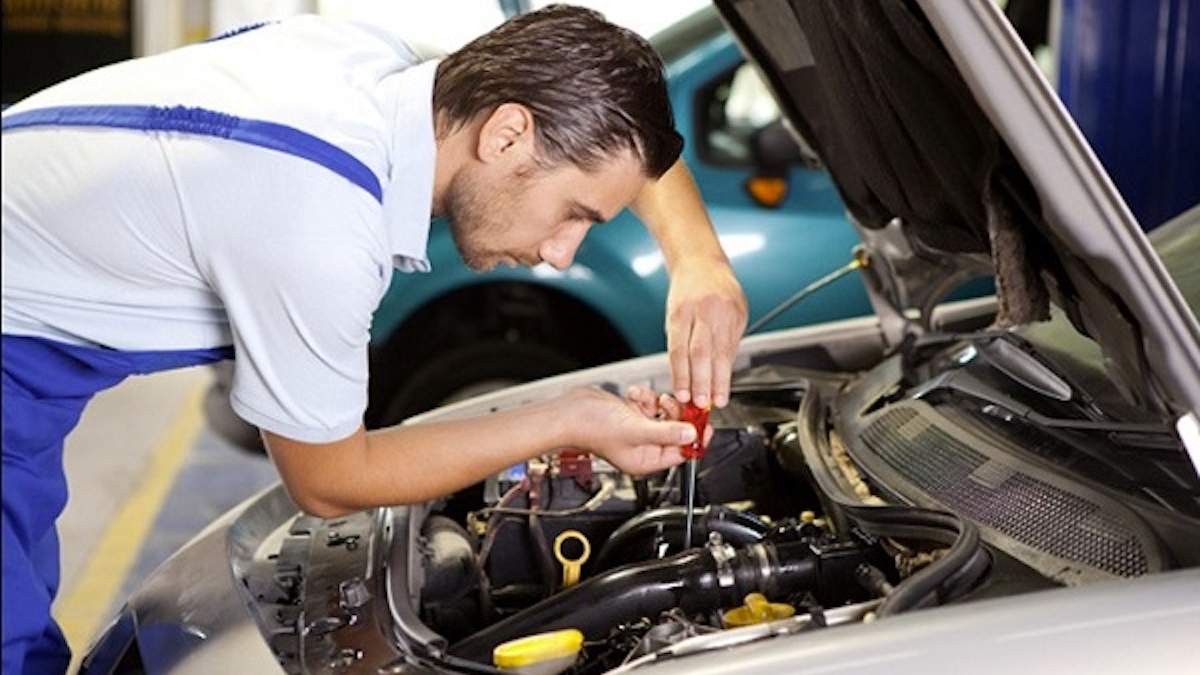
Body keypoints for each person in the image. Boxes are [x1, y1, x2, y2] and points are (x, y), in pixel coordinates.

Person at [0, 6, 747, 672]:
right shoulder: (319, 220)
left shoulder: (393, 69)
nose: (561, 252)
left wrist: (700, 263)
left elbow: (616, 127)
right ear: (507, 135)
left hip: (31, 359)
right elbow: (329, 481)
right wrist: (569, 418)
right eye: (574, 212)